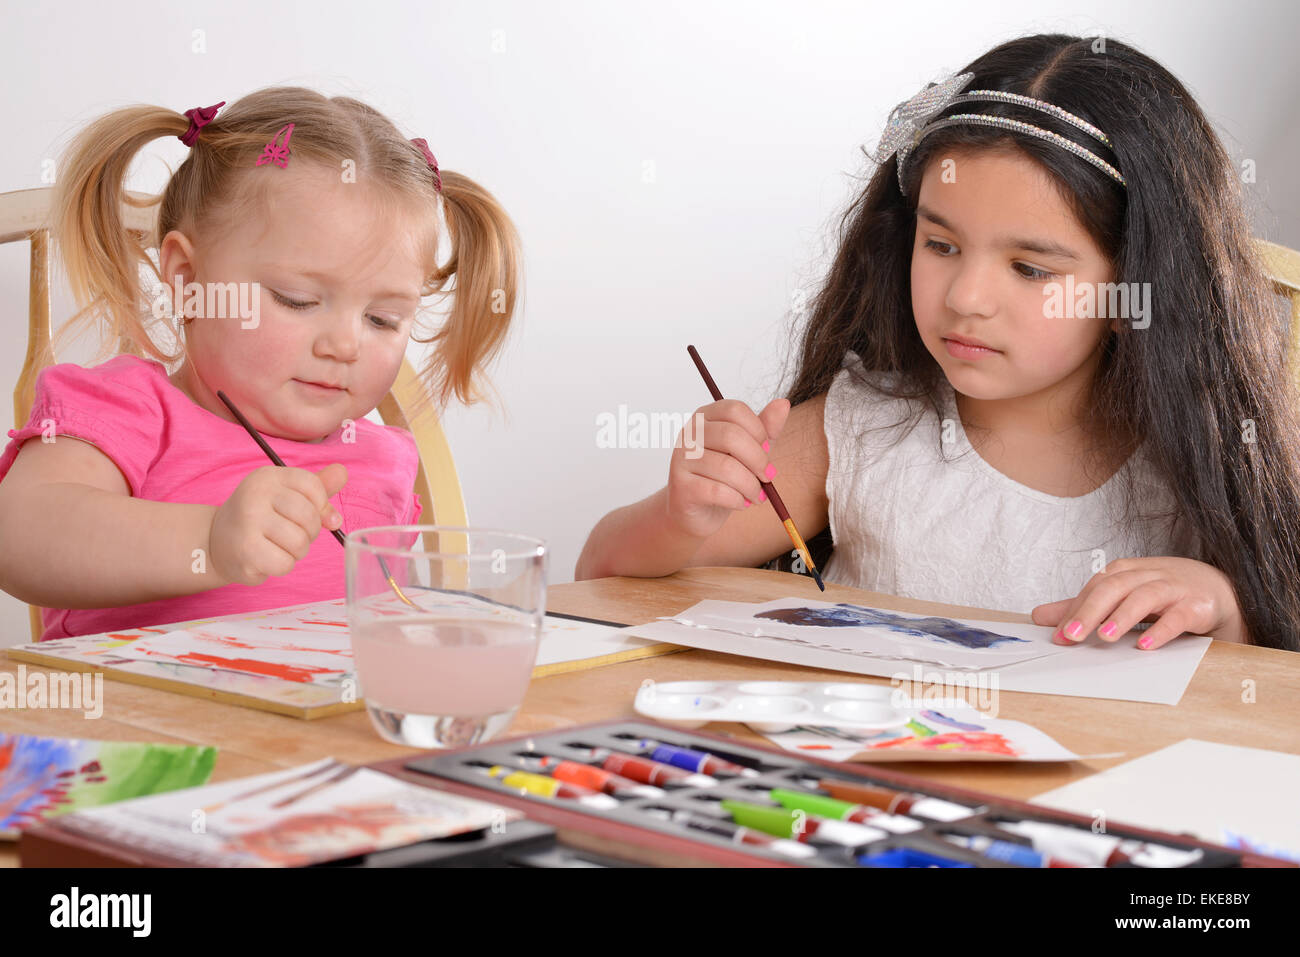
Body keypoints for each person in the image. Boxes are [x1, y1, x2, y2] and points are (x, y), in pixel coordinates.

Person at [576, 34, 1300, 652]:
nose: (965, 297)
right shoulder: (861, 429)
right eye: (942, 244)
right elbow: (601, 576)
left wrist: (1227, 608)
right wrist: (681, 515)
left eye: (1028, 268)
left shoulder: (1199, 460)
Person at [0, 87, 521, 640]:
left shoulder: (382, 457)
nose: (344, 345)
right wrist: (209, 542)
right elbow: (20, 534)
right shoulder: (126, 410)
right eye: (297, 300)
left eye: (383, 320)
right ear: (186, 279)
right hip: (138, 722)